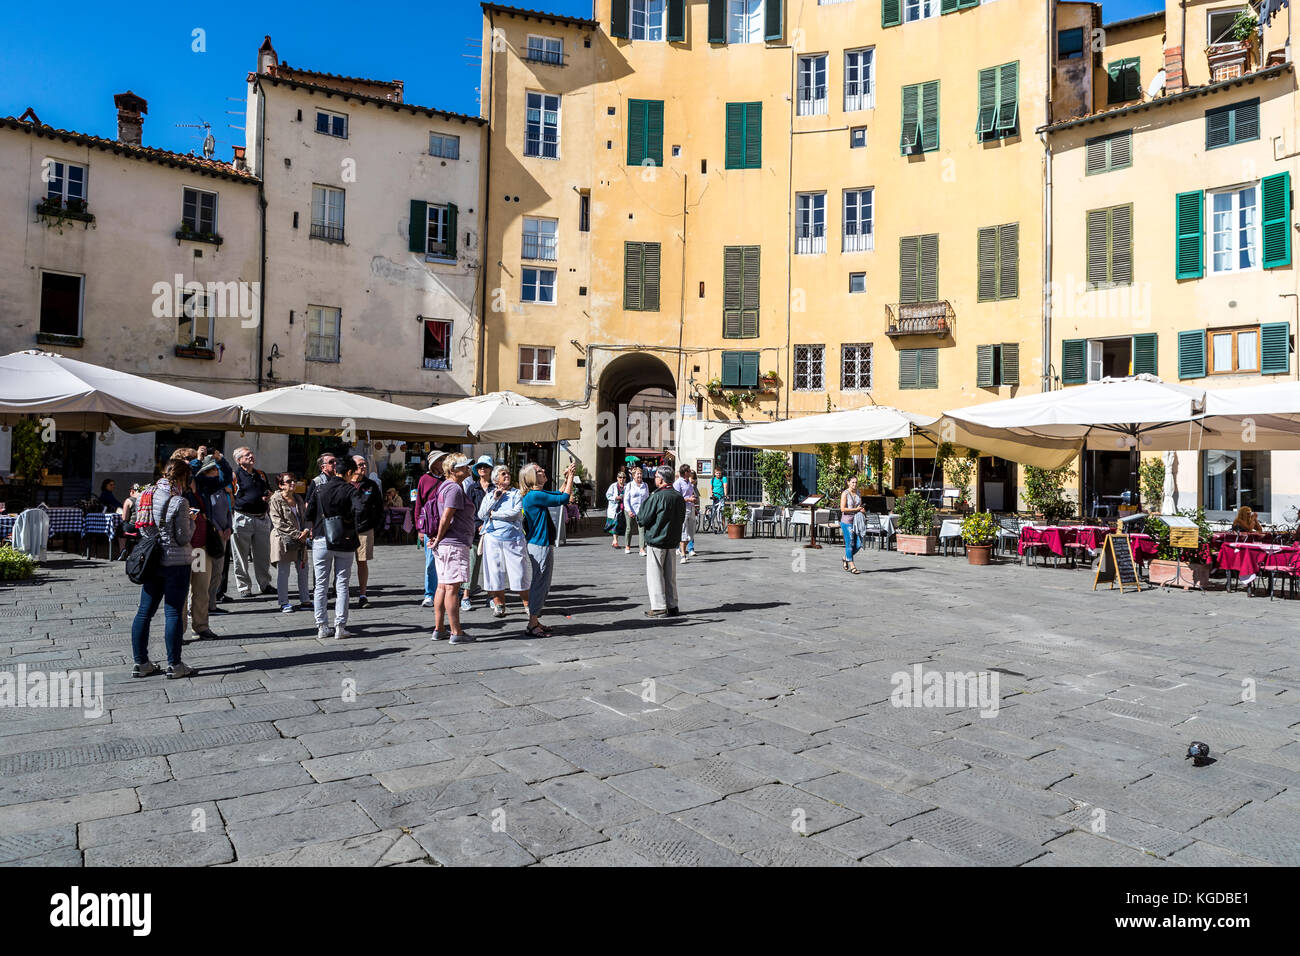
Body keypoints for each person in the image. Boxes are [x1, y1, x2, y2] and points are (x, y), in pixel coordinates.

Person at [130, 460, 198, 679]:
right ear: (183, 477)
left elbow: (139, 526)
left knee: (144, 612)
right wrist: (192, 521)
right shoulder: (179, 501)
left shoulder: (144, 495)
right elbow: (183, 537)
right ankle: (175, 665)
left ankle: (141, 663)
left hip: (150, 560)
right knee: (173, 612)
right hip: (175, 562)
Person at [305, 456, 363, 639]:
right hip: (344, 539)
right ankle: (340, 627)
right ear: (348, 472)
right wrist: (350, 523)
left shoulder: (320, 488)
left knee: (320, 585)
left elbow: (309, 513)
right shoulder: (350, 490)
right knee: (342, 584)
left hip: (321, 537)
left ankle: (322, 626)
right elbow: (360, 511)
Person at [520, 460, 575, 638]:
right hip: (539, 544)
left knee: (543, 583)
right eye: (538, 470)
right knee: (540, 584)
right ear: (531, 477)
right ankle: (532, 623)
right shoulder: (534, 495)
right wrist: (571, 477)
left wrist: (566, 479)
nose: (543, 470)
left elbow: (557, 493)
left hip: (540, 543)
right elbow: (563, 499)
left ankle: (535, 620)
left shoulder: (536, 494)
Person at [429, 454, 476, 644]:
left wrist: (438, 539)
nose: (468, 469)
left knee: (442, 586)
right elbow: (446, 516)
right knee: (451, 588)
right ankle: (456, 632)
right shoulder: (454, 488)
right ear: (453, 470)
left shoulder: (445, 486)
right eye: (464, 466)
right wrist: (439, 538)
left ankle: (439, 629)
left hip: (448, 543)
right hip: (453, 543)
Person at [478, 464, 532, 619]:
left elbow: (516, 513)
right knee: (495, 573)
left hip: (514, 539)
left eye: (508, 473)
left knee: (520, 573)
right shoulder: (490, 495)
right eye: (503, 474)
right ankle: (499, 605)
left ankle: (528, 605)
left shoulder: (516, 493)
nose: (507, 475)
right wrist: (494, 499)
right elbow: (481, 514)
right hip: (493, 539)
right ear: (496, 479)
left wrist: (495, 515)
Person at [639, 465, 687, 618]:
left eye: (656, 476)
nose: (655, 479)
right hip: (672, 540)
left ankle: (659, 606)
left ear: (661, 479)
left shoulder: (657, 496)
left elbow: (643, 518)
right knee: (670, 575)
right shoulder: (678, 496)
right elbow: (681, 518)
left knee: (655, 575)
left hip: (657, 539)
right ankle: (672, 605)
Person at [230, 446, 273, 598]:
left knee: (263, 555)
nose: (251, 456)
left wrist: (267, 496)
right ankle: (244, 587)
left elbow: (268, 490)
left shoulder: (260, 474)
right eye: (247, 455)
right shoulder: (234, 475)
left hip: (261, 517)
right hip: (242, 517)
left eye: (251, 454)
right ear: (239, 460)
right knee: (240, 555)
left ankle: (265, 584)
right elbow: (230, 495)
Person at [270, 472, 311, 612]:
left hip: (301, 539)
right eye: (289, 481)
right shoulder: (275, 499)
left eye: (294, 480)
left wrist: (306, 530)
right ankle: (284, 602)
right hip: (283, 539)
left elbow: (305, 517)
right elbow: (278, 523)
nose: (293, 483)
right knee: (284, 572)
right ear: (281, 485)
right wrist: (298, 534)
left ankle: (305, 600)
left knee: (303, 570)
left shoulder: (298, 498)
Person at [415, 450, 449, 607]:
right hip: (430, 526)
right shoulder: (424, 479)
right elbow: (418, 504)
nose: (443, 462)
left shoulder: (448, 479)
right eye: (440, 460)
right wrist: (419, 528)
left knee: (448, 560)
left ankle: (447, 591)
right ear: (433, 463)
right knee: (430, 561)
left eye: (444, 459)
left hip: (447, 525)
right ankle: (429, 593)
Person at [460, 456, 493, 612]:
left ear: (491, 469)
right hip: (475, 532)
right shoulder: (472, 488)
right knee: (472, 564)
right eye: (480, 466)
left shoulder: (495, 487)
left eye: (485, 466)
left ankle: (491, 596)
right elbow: (468, 510)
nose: (482, 469)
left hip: (493, 531)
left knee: (491, 565)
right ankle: (466, 596)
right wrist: (477, 525)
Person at [352, 455, 384, 609]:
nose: (364, 467)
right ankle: (340, 591)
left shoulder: (371, 485)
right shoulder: (344, 483)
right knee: (342, 563)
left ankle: (363, 594)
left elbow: (379, 507)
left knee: (362, 561)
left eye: (364, 464)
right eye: (360, 464)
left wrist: (373, 524)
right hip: (345, 529)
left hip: (365, 529)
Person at [674, 465, 699, 562]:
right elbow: (676, 498)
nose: (690, 473)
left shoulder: (689, 482)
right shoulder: (678, 483)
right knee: (683, 531)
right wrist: (688, 499)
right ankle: (683, 555)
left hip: (691, 508)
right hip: (683, 509)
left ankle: (681, 549)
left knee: (691, 533)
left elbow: (691, 494)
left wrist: (694, 500)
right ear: (685, 473)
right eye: (689, 471)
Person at [840, 474, 864, 574]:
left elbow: (859, 505)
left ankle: (845, 557)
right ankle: (852, 565)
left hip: (856, 522)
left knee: (859, 544)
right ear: (848, 483)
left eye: (856, 482)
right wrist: (855, 509)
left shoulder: (858, 493)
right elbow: (842, 509)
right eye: (852, 482)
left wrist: (862, 509)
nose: (854, 484)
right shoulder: (845, 493)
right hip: (847, 521)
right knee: (850, 543)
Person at [625, 466, 651, 555]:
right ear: (633, 476)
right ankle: (627, 546)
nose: (639, 475)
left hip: (641, 510)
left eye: (640, 474)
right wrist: (629, 511)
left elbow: (647, 498)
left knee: (642, 529)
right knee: (629, 528)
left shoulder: (645, 485)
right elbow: (626, 500)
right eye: (638, 474)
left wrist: (647, 509)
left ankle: (642, 549)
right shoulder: (629, 485)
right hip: (630, 509)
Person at [605, 471, 628, 549]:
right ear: (617, 478)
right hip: (615, 508)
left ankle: (614, 541)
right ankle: (615, 541)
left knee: (620, 525)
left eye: (624, 477)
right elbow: (608, 495)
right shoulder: (613, 486)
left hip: (624, 508)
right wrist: (615, 498)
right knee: (615, 523)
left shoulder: (627, 486)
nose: (622, 479)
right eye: (620, 477)